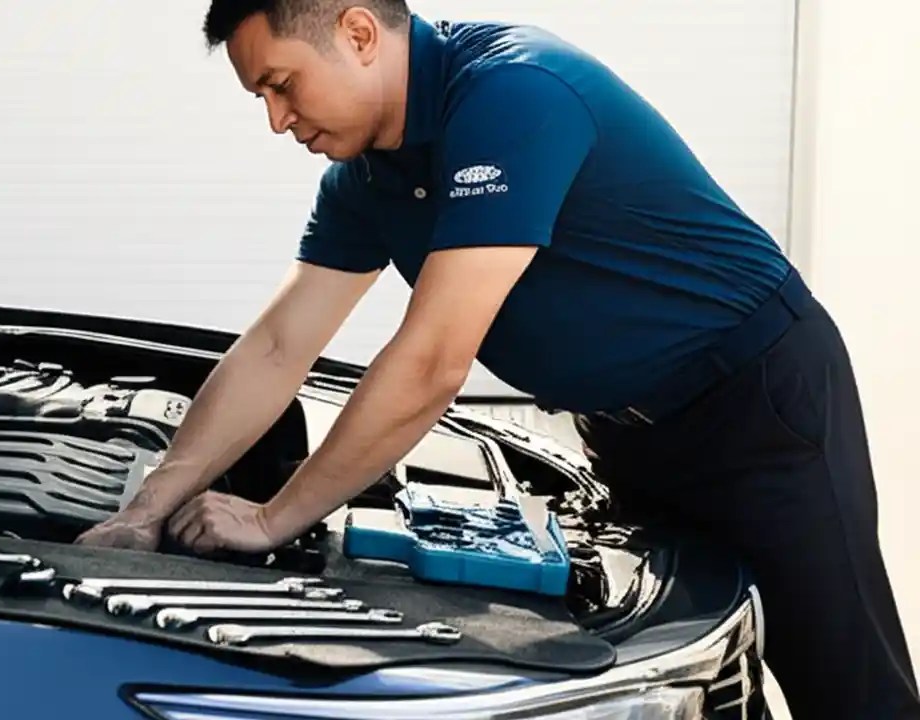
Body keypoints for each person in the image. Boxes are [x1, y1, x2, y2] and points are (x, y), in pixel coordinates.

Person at [74, 1, 919, 717]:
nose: (276, 119)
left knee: (845, 685)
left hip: (758, 405)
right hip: (625, 432)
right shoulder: (368, 177)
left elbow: (434, 361)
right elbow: (276, 345)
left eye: (282, 84)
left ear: (359, 34)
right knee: (683, 690)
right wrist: (149, 508)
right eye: (260, 96)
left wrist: (271, 520)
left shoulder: (515, 93)